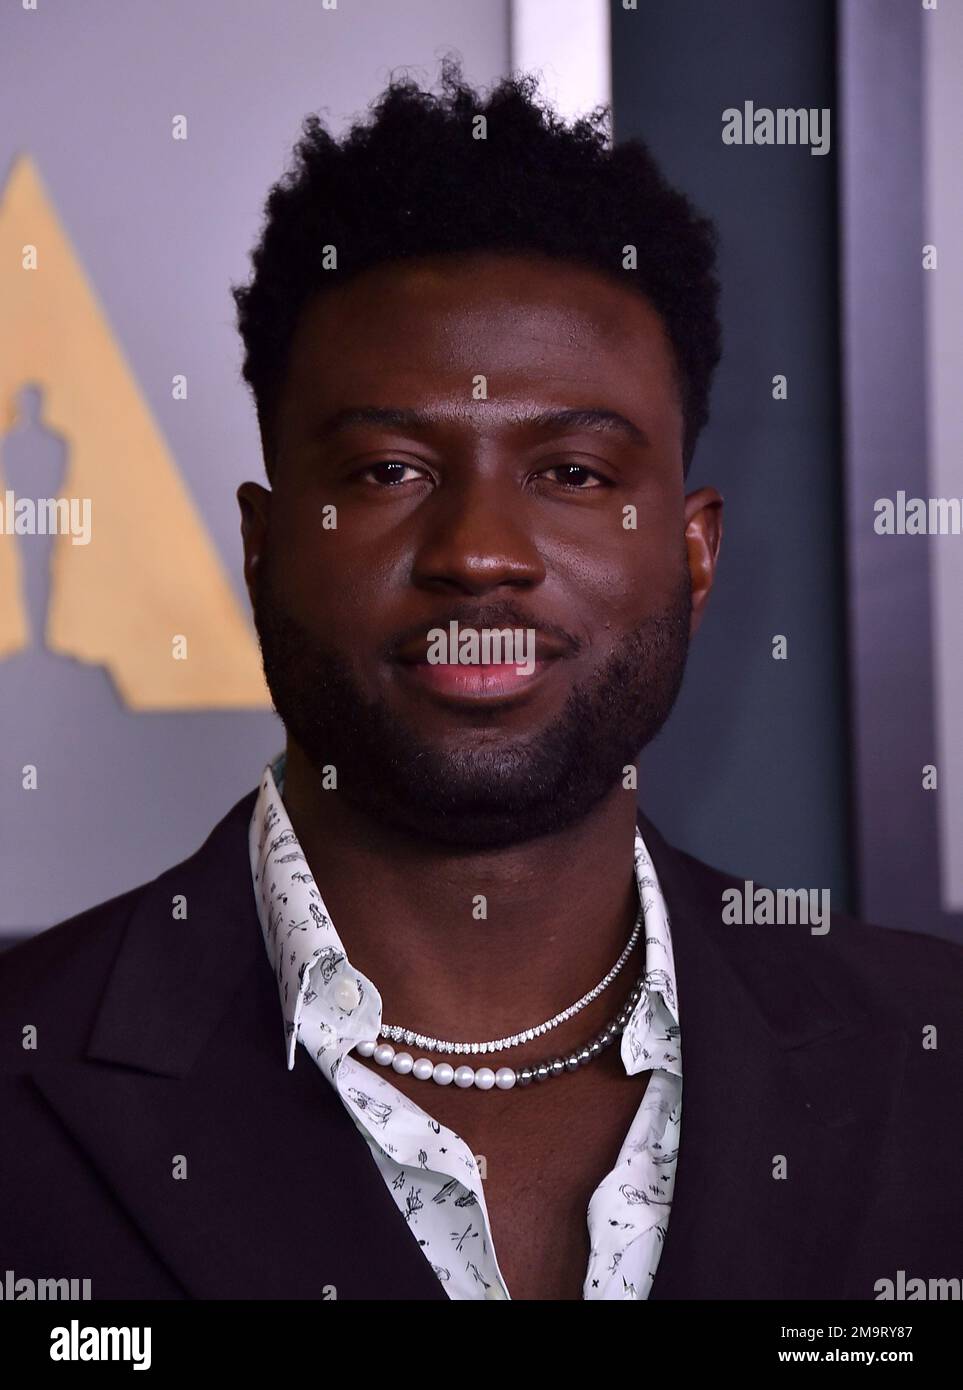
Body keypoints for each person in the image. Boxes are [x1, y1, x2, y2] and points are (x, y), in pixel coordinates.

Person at [1, 60, 960, 1303]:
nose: (479, 552)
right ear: (263, 543)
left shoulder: (933, 1059)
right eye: (391, 470)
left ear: (695, 550)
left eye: (572, 473)